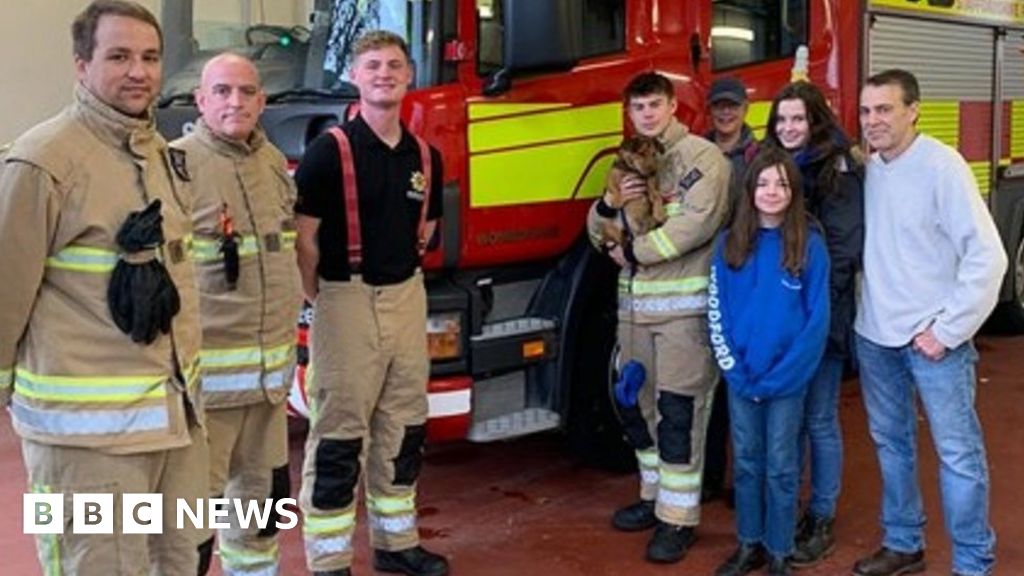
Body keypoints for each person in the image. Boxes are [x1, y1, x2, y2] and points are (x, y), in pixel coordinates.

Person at [0, 1, 206, 574]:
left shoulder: (161, 154)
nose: (138, 71)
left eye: (149, 57)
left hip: (172, 428)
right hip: (86, 447)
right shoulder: (43, 160)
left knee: (176, 562)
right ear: (81, 66)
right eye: (118, 56)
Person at [294, 30, 447, 576]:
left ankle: (396, 542)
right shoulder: (326, 152)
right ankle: (329, 561)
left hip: (407, 298)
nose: (384, 73)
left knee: (404, 426)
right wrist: (324, 302)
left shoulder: (426, 158)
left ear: (409, 77)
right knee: (338, 437)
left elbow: (425, 231)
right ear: (355, 76)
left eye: (395, 65)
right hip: (345, 299)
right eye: (373, 65)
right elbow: (304, 240)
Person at [854, 69, 1005, 576]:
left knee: (959, 456)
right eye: (866, 110)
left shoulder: (943, 167)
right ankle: (903, 544)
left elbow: (988, 257)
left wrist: (947, 331)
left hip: (933, 343)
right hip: (875, 337)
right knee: (892, 446)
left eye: (885, 109)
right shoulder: (868, 171)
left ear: (913, 110)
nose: (873, 120)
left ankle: (972, 563)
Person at [587, 71, 730, 564]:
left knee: (679, 415)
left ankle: (678, 518)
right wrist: (608, 204)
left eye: (654, 105)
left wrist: (634, 251)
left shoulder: (701, 158)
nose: (646, 115)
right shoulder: (626, 159)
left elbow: (695, 224)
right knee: (635, 406)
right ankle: (652, 497)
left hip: (682, 315)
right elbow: (596, 230)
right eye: (638, 108)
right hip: (634, 313)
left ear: (672, 107)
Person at [174, 53, 303, 576]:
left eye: (247, 92)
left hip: (269, 393)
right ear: (201, 101)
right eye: (222, 91)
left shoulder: (271, 162)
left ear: (262, 101)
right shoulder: (177, 166)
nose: (236, 102)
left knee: (262, 509)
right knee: (190, 524)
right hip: (209, 397)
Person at [708, 147, 830, 576]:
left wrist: (781, 377)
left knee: (782, 466)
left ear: (793, 191)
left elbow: (816, 323)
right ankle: (749, 543)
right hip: (741, 378)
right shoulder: (728, 246)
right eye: (763, 183)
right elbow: (716, 312)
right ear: (750, 190)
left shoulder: (809, 246)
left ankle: (779, 550)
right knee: (745, 463)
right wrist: (736, 371)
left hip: (786, 383)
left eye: (781, 183)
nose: (771, 191)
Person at [762, 80, 864, 567]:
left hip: (820, 317)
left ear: (816, 120)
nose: (788, 128)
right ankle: (791, 511)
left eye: (797, 119)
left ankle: (820, 516)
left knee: (819, 420)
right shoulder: (773, 168)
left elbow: (843, 253)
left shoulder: (836, 170)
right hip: (780, 319)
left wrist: (815, 318)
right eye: (781, 120)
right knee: (791, 422)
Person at [702, 75, 760, 504]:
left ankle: (744, 483)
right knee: (707, 387)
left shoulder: (759, 157)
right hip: (702, 276)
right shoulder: (696, 153)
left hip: (744, 279)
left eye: (732, 106)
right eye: (719, 106)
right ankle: (706, 478)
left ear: (745, 109)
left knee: (743, 384)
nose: (726, 113)